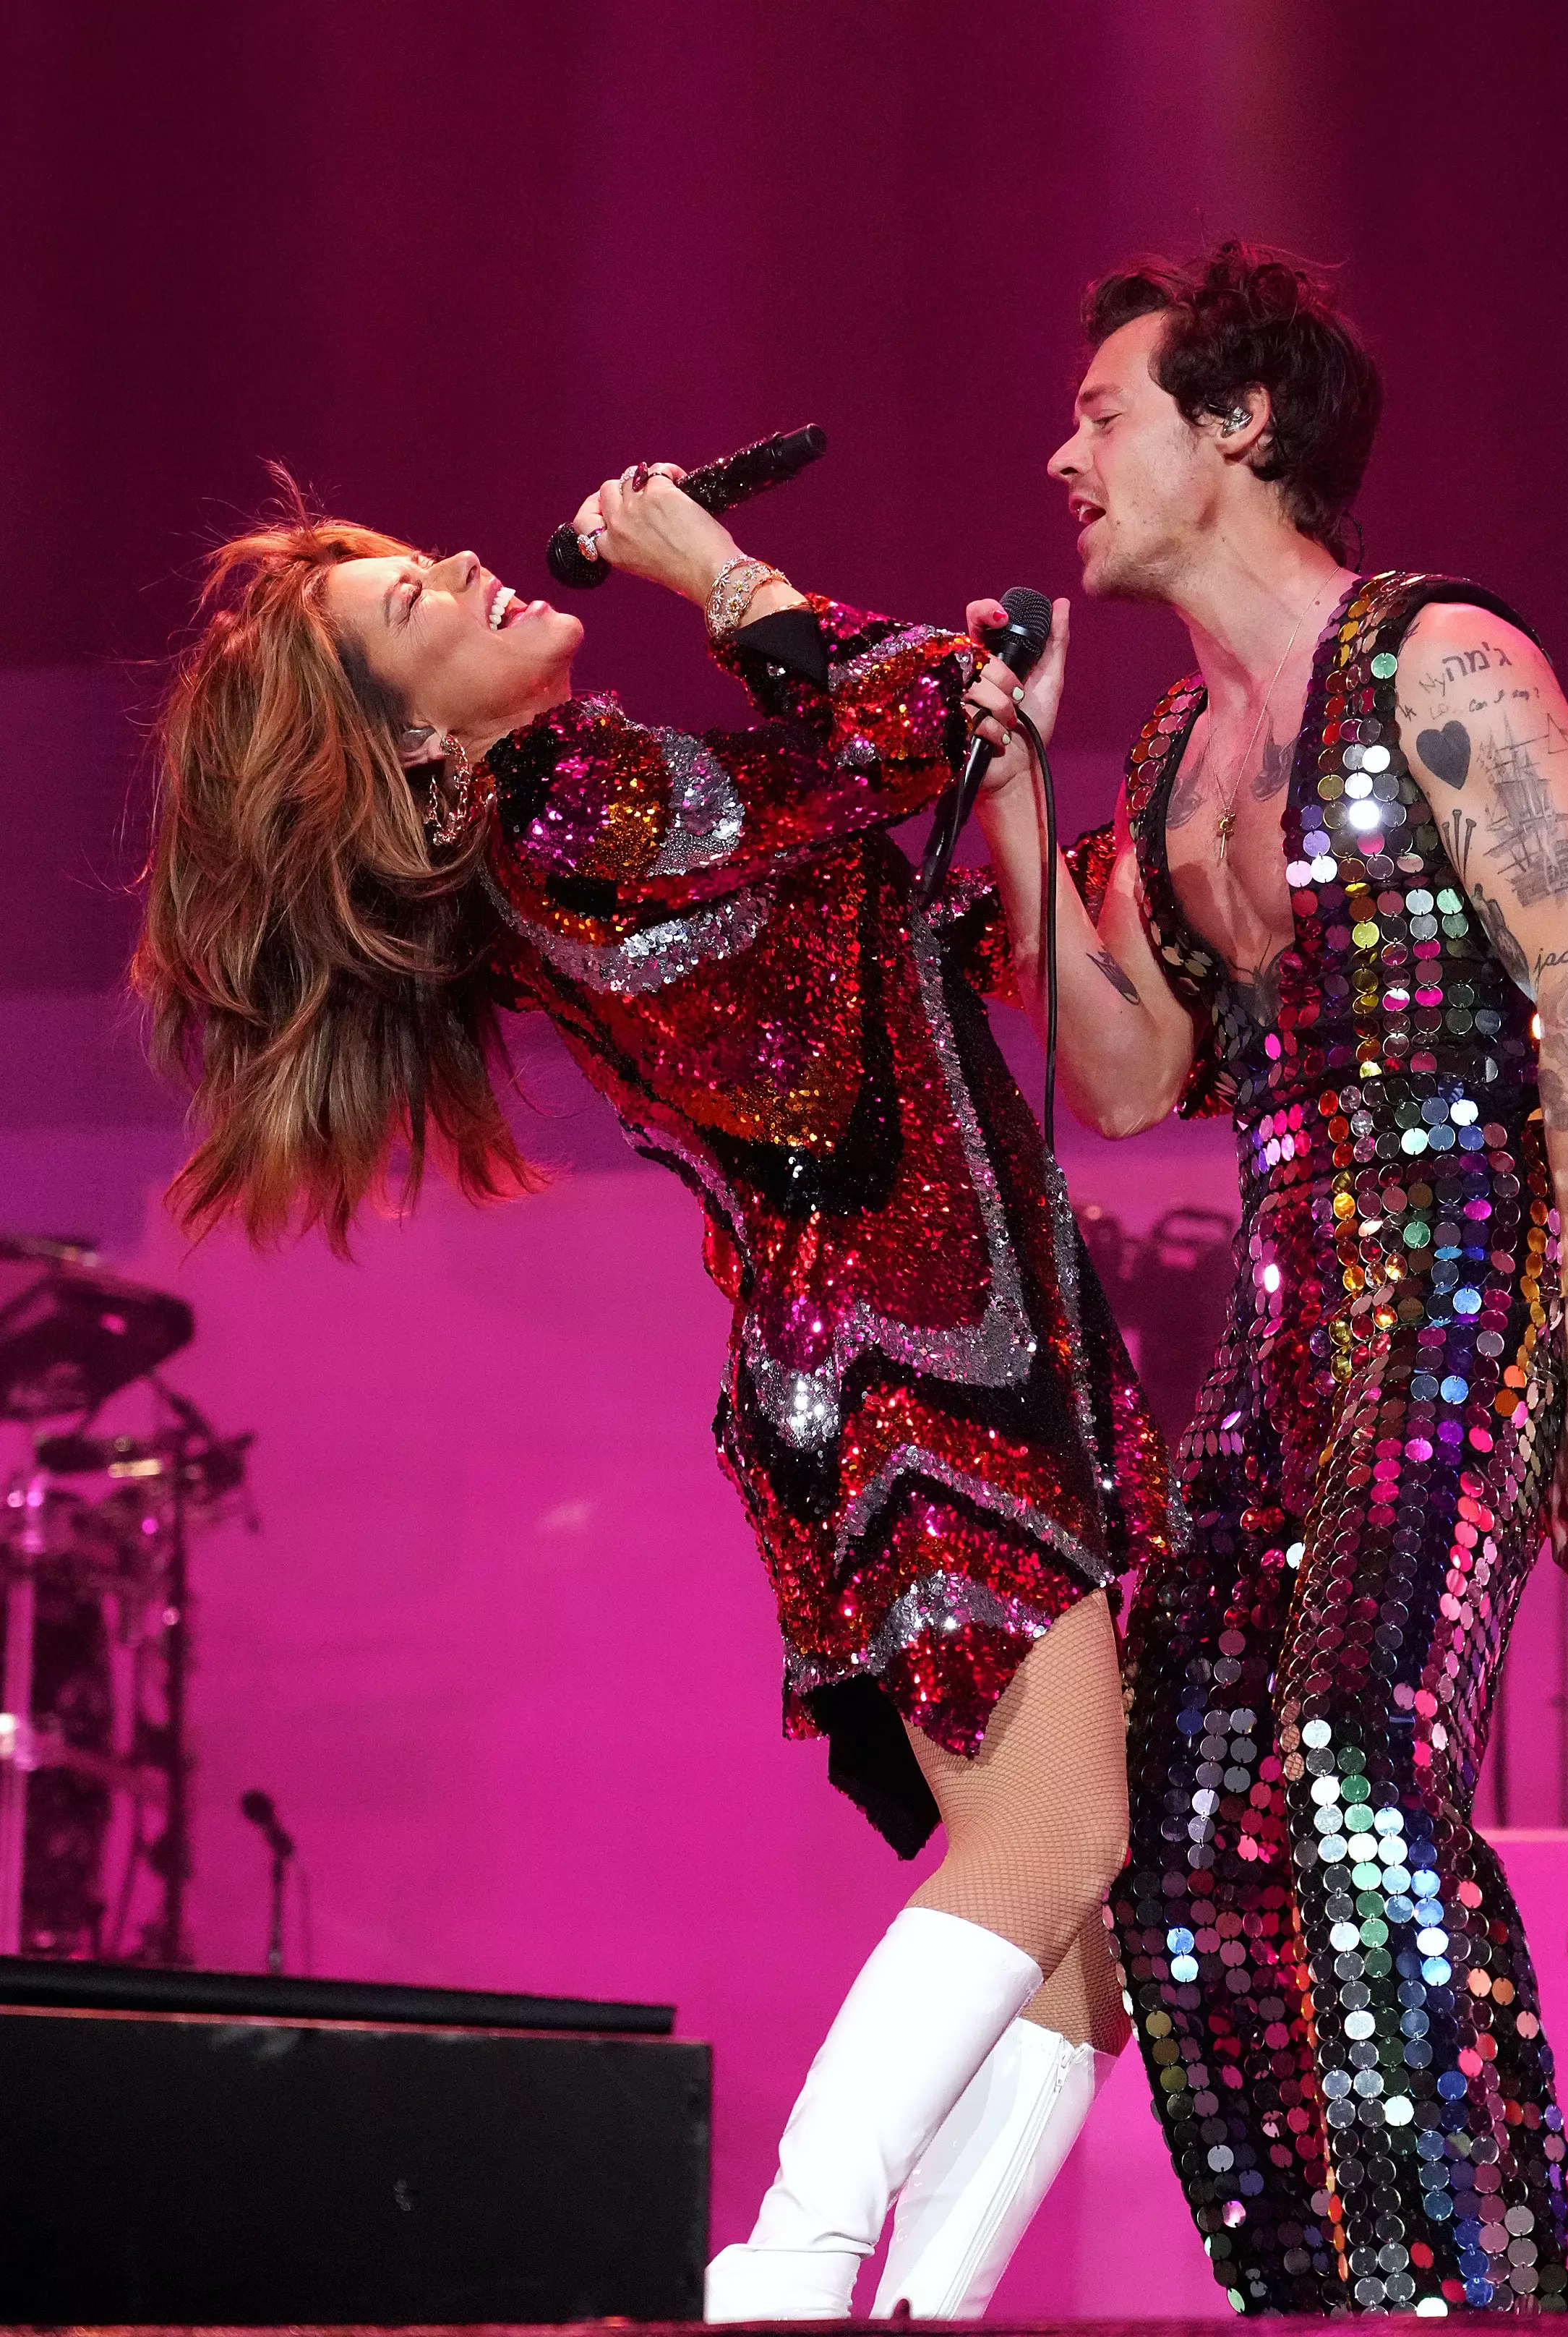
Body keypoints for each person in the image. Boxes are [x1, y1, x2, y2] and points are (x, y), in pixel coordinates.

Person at [133, 463, 1167, 2319]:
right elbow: (904, 721)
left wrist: (976, 729)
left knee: (1076, 1948)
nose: (456, 559)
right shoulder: (567, 802)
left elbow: (897, 793)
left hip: (937, 1359)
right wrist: (714, 561)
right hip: (915, 1374)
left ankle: (891, 2306)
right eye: (403, 606)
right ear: (412, 753)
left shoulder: (583, 805)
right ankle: (783, 2279)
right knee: (1056, 1843)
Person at [971, 243, 1568, 2315]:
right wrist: (1014, 784)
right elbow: (1119, 1078)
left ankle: (1463, 2287)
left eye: (1105, 413)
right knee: (1172, 1833)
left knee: (1353, 1760)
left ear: (1240, 427)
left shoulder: (1439, 661)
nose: (1061, 454)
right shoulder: (1177, 760)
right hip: (1284, 1348)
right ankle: (1329, 2282)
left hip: (1456, 1304)